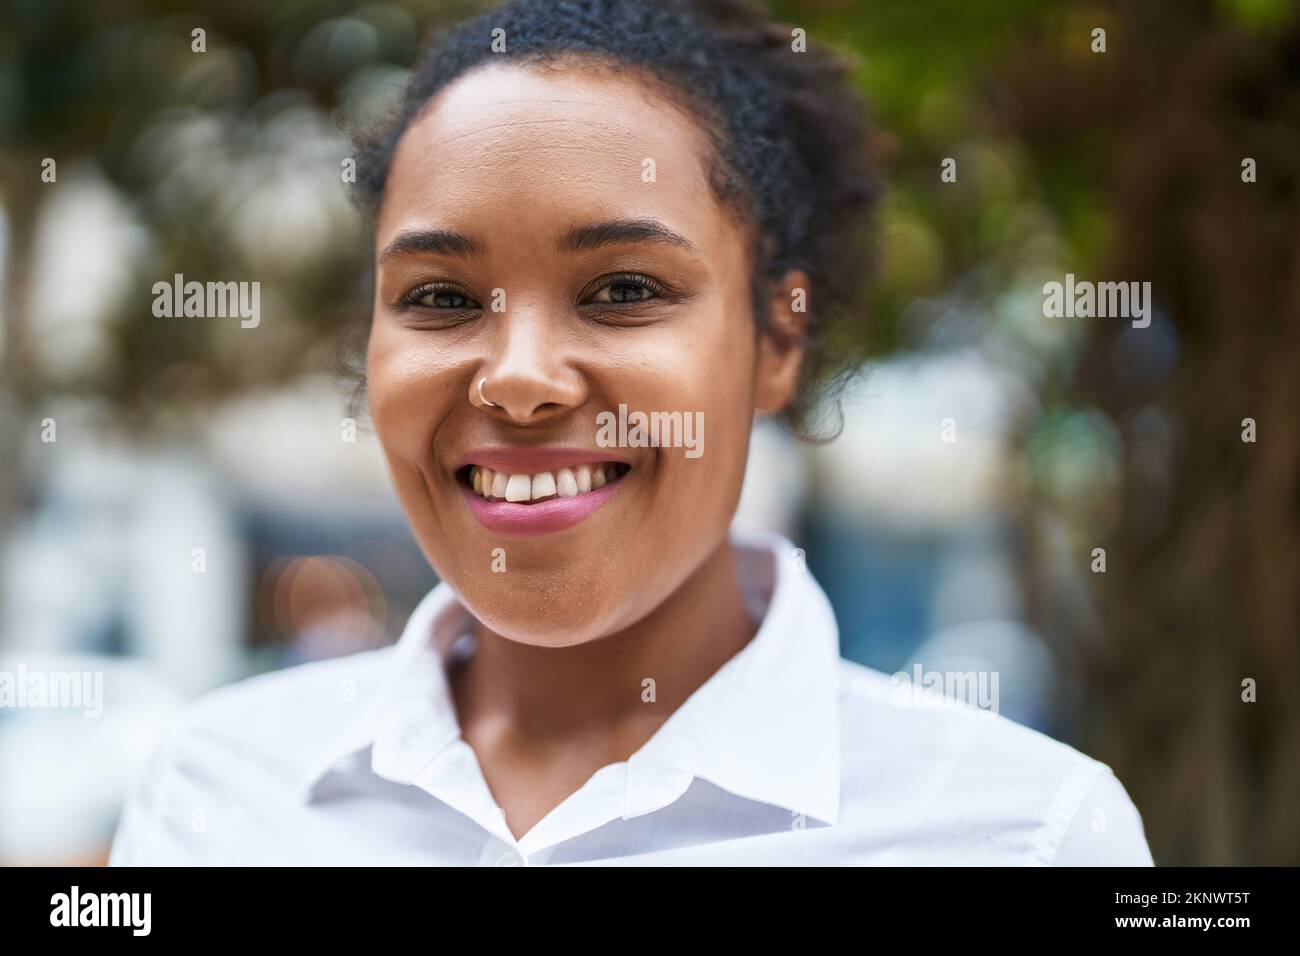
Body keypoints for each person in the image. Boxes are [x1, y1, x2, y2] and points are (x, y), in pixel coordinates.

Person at [109, 0, 1153, 865]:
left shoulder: (1021, 833)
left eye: (621, 288)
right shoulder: (214, 792)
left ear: (777, 338)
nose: (518, 379)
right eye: (439, 296)